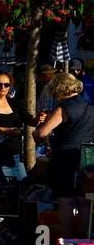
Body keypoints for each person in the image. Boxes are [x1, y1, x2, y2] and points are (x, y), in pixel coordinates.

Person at [34, 73, 94, 219]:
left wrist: (38, 128)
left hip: (65, 158)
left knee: (66, 201)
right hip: (87, 158)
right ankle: (84, 239)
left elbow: (42, 133)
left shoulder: (63, 108)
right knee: (84, 200)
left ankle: (68, 240)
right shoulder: (90, 108)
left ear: (58, 89)